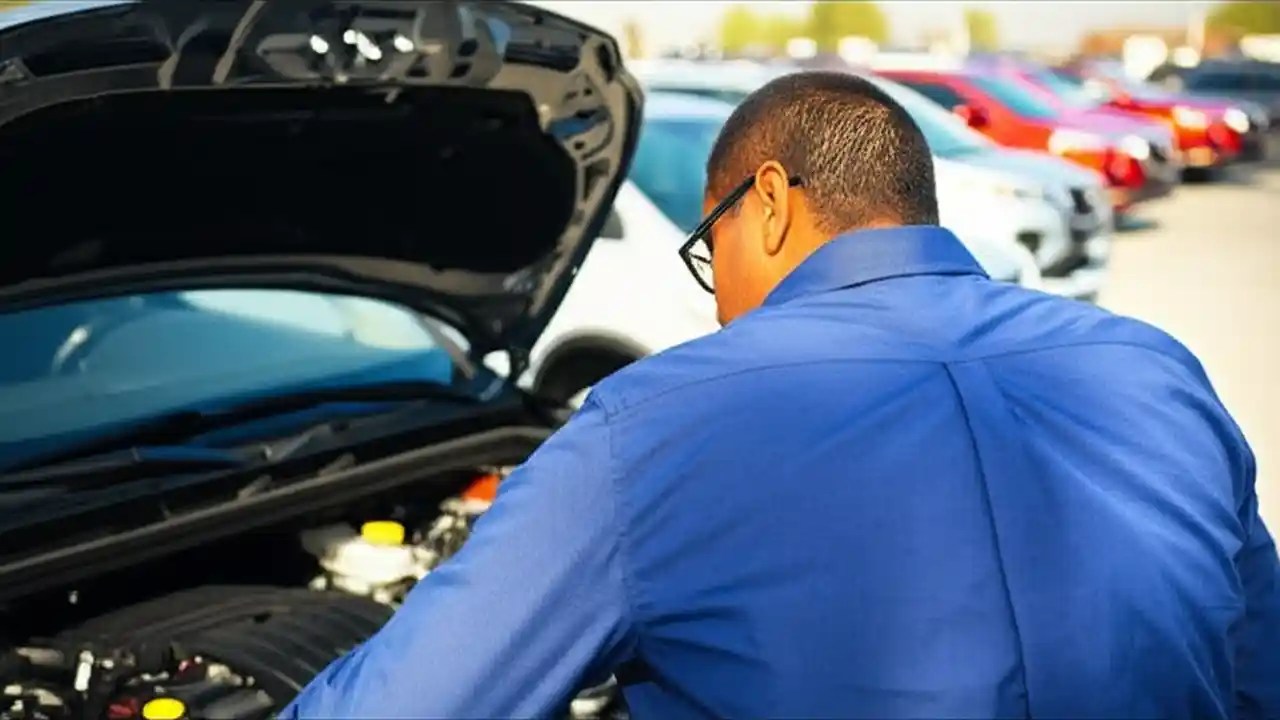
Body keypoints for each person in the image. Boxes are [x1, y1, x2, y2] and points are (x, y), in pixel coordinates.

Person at [281, 71, 1279, 719]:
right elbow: (1255, 674)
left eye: (703, 248)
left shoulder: (648, 429)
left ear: (764, 201)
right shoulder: (1153, 367)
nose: (714, 294)